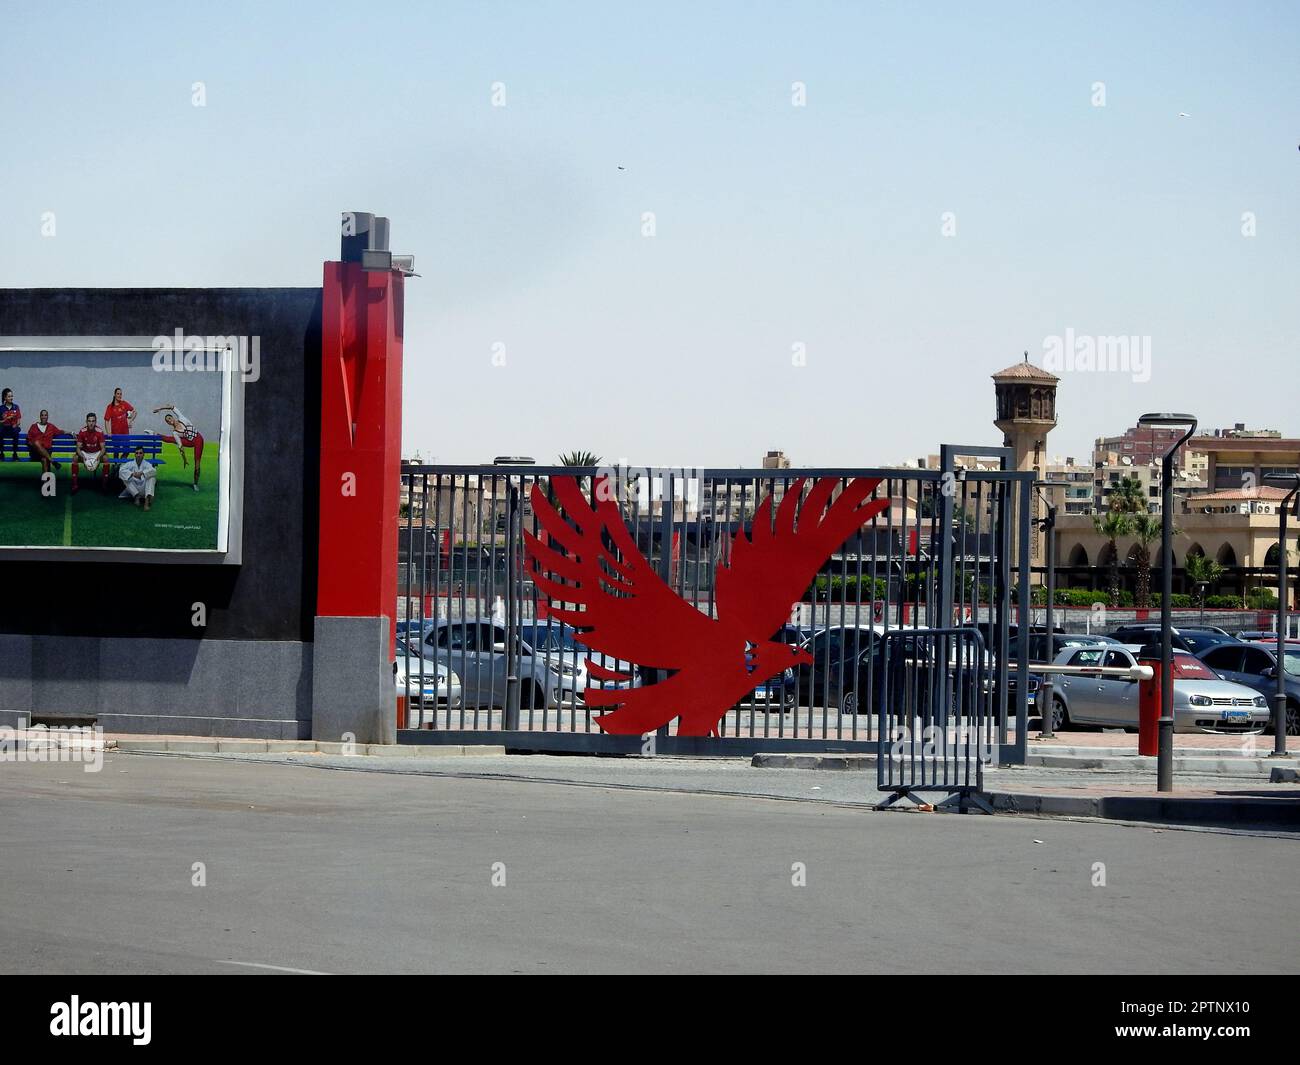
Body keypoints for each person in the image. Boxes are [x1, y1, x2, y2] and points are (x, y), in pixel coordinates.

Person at [152, 404, 204, 491]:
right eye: (167, 421)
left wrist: (160, 408)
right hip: (188, 441)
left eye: (169, 418)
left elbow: (171, 406)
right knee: (173, 439)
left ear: (173, 418)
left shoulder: (181, 418)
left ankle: (195, 483)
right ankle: (156, 434)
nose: (169, 421)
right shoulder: (175, 433)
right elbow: (181, 447)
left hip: (198, 439)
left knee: (197, 466)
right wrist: (184, 459)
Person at [72, 412, 109, 494]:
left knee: (106, 458)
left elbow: (103, 448)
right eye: (89, 421)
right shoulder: (82, 431)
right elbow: (78, 448)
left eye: (93, 421)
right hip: (85, 453)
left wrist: (98, 457)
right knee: (75, 458)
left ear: (95, 422)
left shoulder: (99, 431)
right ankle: (74, 485)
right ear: (86, 422)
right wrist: (83, 457)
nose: (91, 423)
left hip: (96, 453)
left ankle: (104, 485)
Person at [25, 410, 65, 481]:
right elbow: (28, 440)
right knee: (37, 442)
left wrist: (71, 432)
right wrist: (35, 445)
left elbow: (60, 432)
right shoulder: (33, 426)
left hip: (47, 451)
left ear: (47, 416)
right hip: (35, 453)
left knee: (44, 459)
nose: (44, 417)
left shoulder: (51, 426)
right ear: (40, 416)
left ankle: (45, 484)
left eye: (45, 415)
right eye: (42, 415)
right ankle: (52, 461)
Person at [103, 387, 136, 469]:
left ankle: (120, 464)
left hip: (125, 433)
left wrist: (130, 421)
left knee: (127, 450)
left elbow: (134, 411)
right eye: (118, 394)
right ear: (114, 395)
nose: (119, 395)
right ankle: (115, 466)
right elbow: (106, 420)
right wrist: (108, 432)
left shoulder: (124, 403)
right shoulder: (110, 407)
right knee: (116, 451)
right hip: (115, 433)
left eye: (121, 394)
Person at [0, 388, 21, 462]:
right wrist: (6, 419)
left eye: (12, 396)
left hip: (13, 427)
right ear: (5, 398)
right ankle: (1, 453)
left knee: (16, 431)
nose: (11, 398)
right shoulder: (1, 408)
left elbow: (18, 420)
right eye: (9, 396)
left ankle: (15, 454)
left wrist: (16, 424)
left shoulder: (16, 407)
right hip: (4, 428)